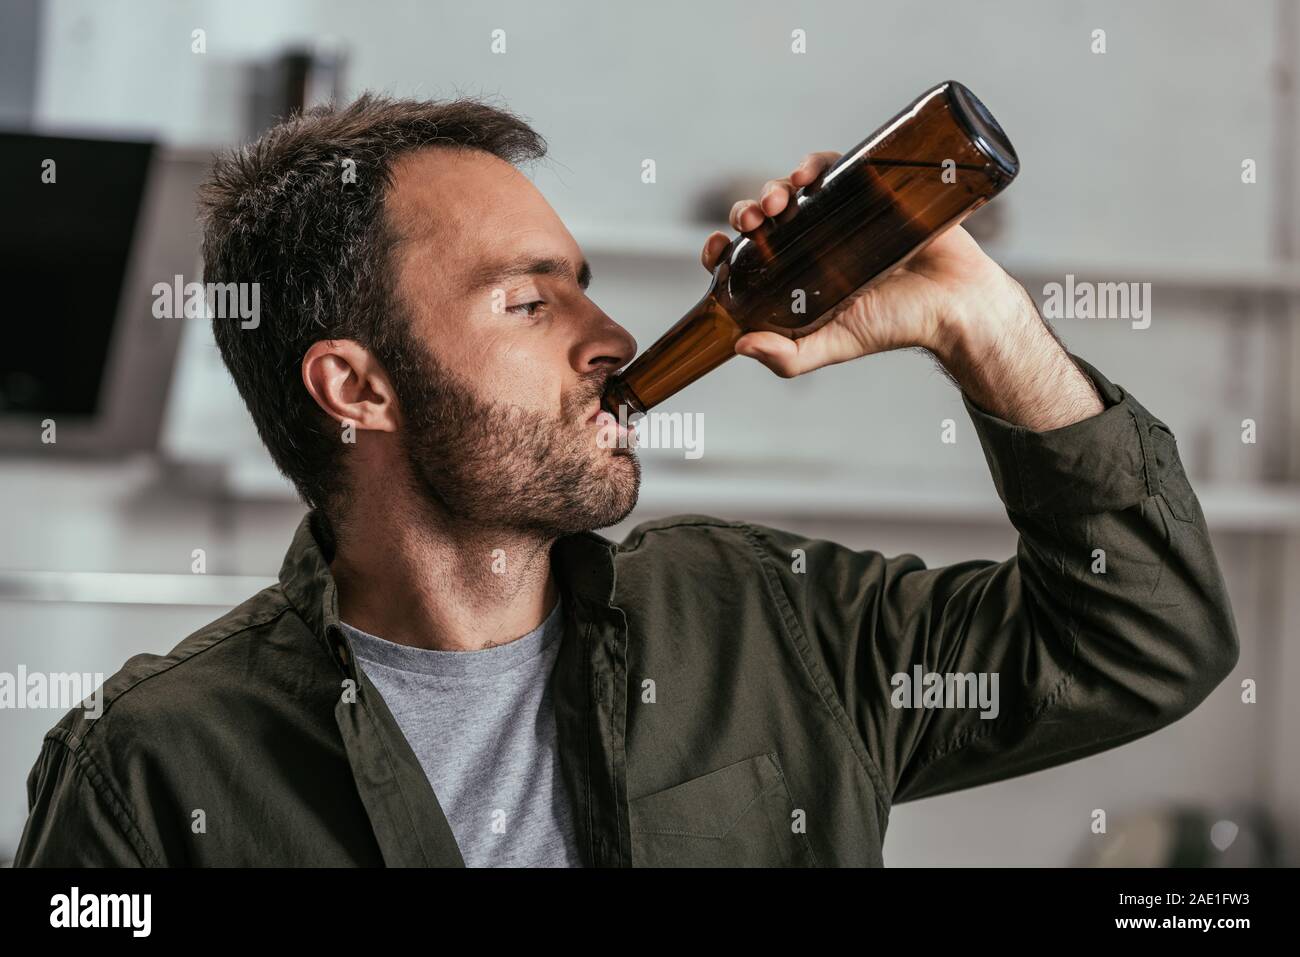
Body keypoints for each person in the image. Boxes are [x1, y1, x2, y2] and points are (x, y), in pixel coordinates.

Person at [15, 95, 1238, 867]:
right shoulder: (150, 773)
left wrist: (986, 330)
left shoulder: (778, 624)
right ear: (359, 390)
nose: (609, 337)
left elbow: (1144, 641)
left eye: (585, 284)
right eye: (530, 299)